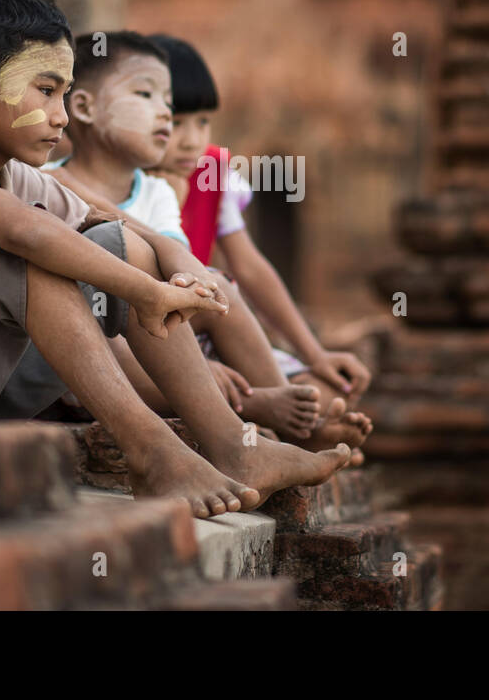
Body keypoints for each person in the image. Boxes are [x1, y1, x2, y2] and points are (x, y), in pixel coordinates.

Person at [0, 0, 351, 517]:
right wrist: (146, 293)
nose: (61, 117)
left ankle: (233, 447)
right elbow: (25, 236)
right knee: (30, 252)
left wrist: (186, 269)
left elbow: (123, 226)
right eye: (45, 90)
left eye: (64, 94)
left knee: (121, 245)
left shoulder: (19, 178)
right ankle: (151, 451)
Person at [45, 31, 370, 452]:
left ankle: (288, 420)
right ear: (85, 107)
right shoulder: (50, 182)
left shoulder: (160, 192)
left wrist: (205, 351)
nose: (166, 115)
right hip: (93, 345)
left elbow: (191, 273)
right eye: (148, 97)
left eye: (169, 102)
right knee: (109, 336)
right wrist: (199, 369)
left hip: (166, 332)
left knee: (220, 287)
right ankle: (254, 407)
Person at [147, 34, 375, 458]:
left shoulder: (212, 173)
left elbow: (250, 268)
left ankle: (304, 423)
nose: (190, 140)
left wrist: (314, 350)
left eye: (202, 122)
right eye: (176, 123)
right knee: (249, 378)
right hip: (155, 339)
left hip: (216, 335)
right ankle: (303, 435)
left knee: (324, 388)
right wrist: (197, 367)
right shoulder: (126, 184)